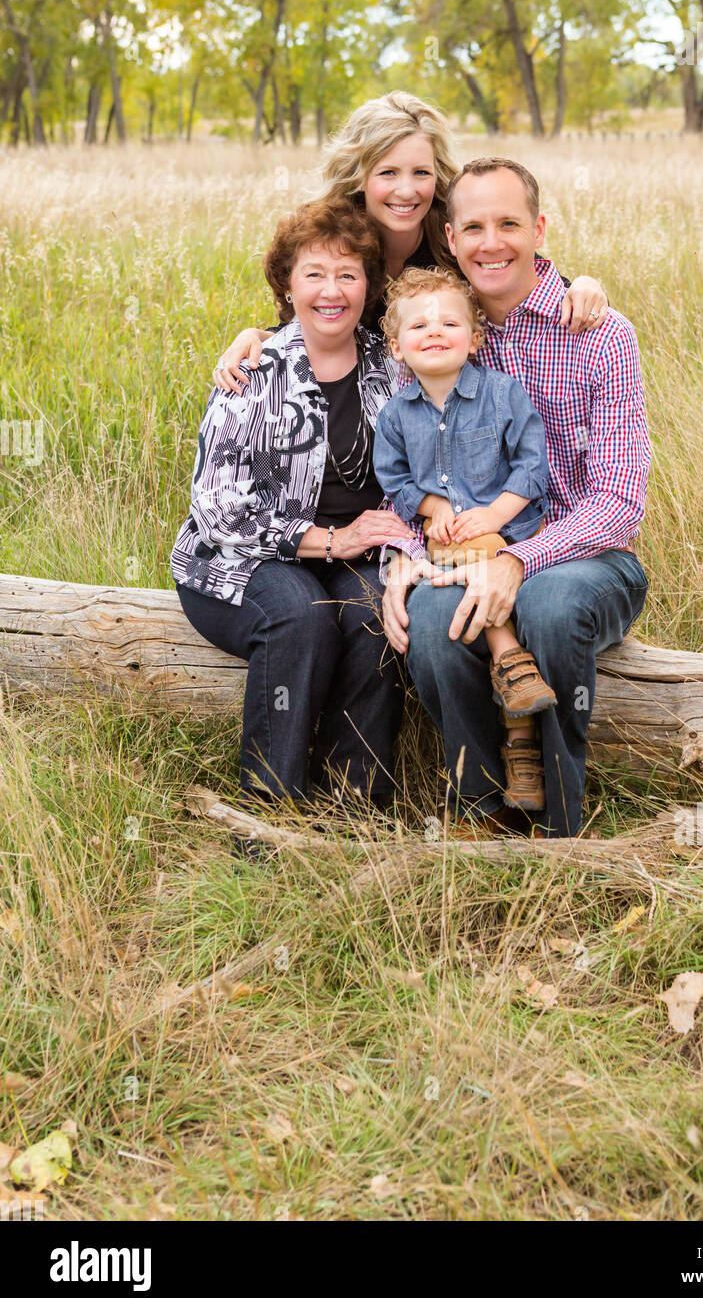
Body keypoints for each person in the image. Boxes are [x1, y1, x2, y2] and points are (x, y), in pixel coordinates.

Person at [381, 157, 651, 839]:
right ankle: (483, 810)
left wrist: (522, 559)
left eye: (508, 224)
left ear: (539, 228)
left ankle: (560, 823)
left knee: (549, 605)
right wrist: (406, 557)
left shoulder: (599, 332)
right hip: (470, 549)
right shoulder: (444, 331)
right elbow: (410, 465)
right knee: (438, 623)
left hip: (589, 556)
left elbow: (619, 502)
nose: (491, 242)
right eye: (473, 227)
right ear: (451, 237)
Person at [170, 199, 416, 851]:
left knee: (371, 612)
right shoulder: (254, 370)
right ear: (286, 285)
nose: (331, 291)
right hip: (241, 562)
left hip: (357, 559)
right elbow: (220, 509)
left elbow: (426, 476)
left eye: (348, 274)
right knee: (303, 613)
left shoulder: (393, 368)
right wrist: (331, 540)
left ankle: (352, 815)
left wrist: (402, 558)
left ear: (368, 283)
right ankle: (264, 821)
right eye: (314, 274)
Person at [210, 91, 610, 396]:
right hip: (369, 410)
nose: (406, 190)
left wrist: (583, 284)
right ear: (360, 176)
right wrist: (260, 336)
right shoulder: (336, 239)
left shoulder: (452, 233)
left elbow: (520, 272)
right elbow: (314, 318)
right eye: (387, 172)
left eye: (420, 172)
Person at [373, 266, 556, 813]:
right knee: (456, 579)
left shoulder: (502, 394)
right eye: (419, 325)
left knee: (484, 557)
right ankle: (513, 702)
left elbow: (531, 468)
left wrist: (489, 515)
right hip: (445, 542)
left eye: (449, 322)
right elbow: (396, 481)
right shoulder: (395, 415)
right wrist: (436, 509)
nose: (434, 331)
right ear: (398, 348)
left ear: (474, 339)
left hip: (512, 535)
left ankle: (514, 692)